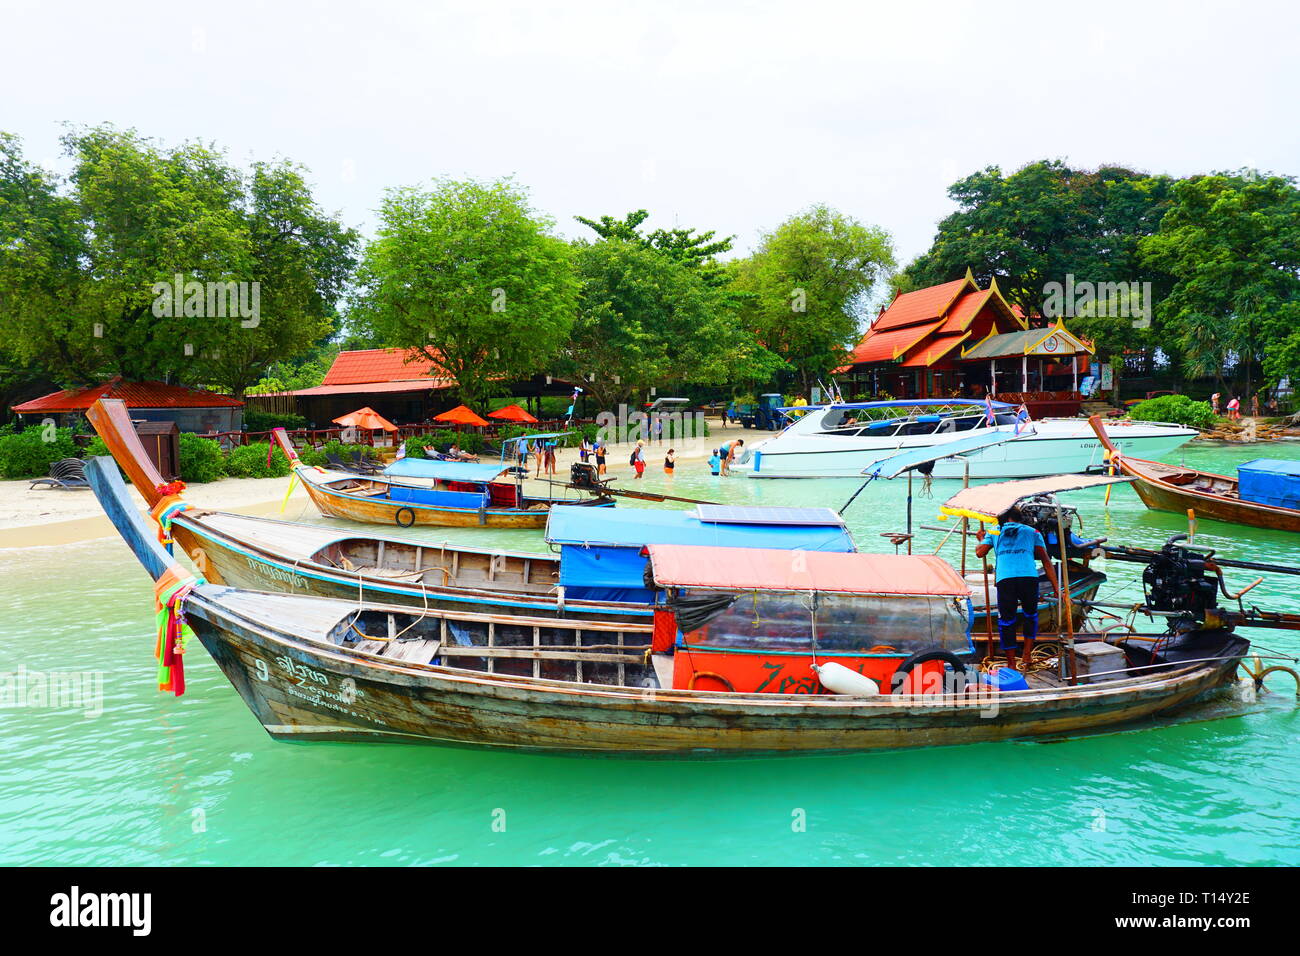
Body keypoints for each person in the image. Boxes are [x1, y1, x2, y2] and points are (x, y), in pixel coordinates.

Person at [974, 505, 1060, 672]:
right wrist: (1057, 588)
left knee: (1006, 622)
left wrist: (980, 539)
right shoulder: (1032, 532)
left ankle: (1011, 664)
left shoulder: (994, 531)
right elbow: (1046, 561)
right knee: (1030, 616)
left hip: (1006, 580)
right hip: (1028, 578)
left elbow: (979, 553)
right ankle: (1027, 655)